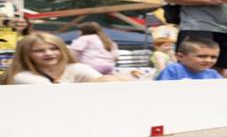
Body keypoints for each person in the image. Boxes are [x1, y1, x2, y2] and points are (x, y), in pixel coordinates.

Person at [4, 33, 133, 84]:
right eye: (39, 51)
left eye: (54, 48)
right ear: (25, 54)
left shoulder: (76, 68)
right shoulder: (21, 76)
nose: (49, 53)